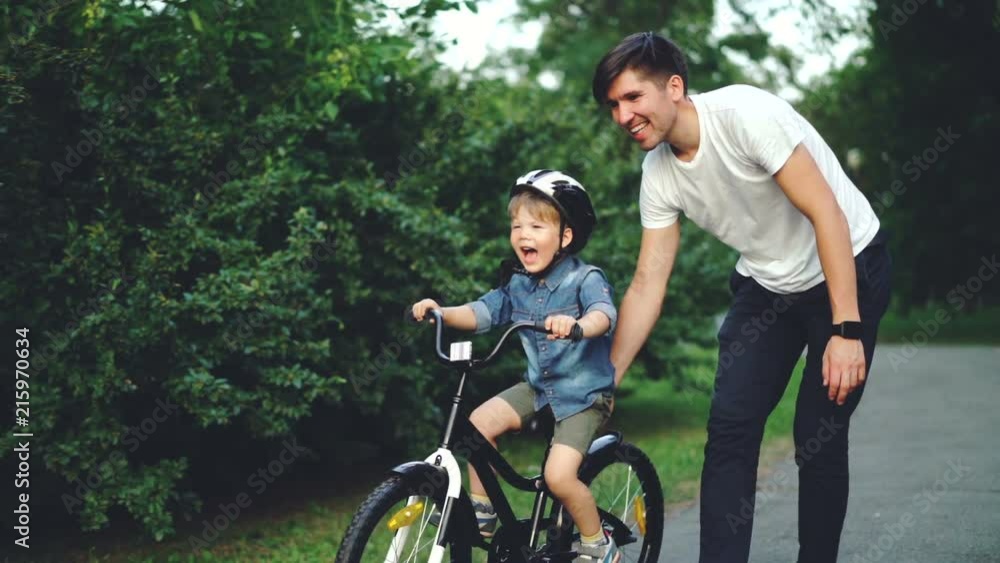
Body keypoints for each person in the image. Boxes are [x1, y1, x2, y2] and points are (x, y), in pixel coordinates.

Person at [591, 32, 893, 563]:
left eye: (633, 97)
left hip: (846, 266)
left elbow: (828, 214)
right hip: (767, 287)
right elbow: (647, 282)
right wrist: (605, 378)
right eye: (614, 105)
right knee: (729, 431)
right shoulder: (657, 174)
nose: (622, 115)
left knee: (815, 438)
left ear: (675, 87)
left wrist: (846, 330)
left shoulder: (746, 115)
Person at [411, 169, 621, 563]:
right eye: (516, 225)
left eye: (537, 225)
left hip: (583, 395)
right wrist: (442, 312)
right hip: (539, 387)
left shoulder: (584, 278)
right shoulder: (517, 283)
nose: (524, 234)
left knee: (559, 477)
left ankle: (599, 545)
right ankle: (483, 510)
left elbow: (603, 314)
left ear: (565, 237)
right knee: (476, 425)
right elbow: (483, 312)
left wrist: (577, 326)